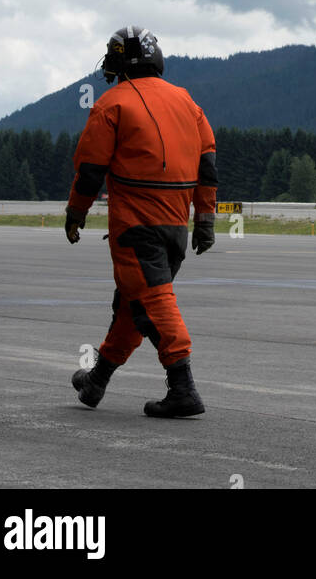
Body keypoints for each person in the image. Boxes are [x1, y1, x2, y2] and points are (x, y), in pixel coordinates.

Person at [65, 25, 218, 418]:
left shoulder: (112, 104)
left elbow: (89, 170)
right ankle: (96, 380)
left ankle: (183, 388)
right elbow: (207, 163)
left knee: (153, 303)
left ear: (118, 62)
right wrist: (205, 218)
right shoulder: (188, 102)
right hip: (175, 229)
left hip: (136, 226)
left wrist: (76, 212)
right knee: (134, 305)